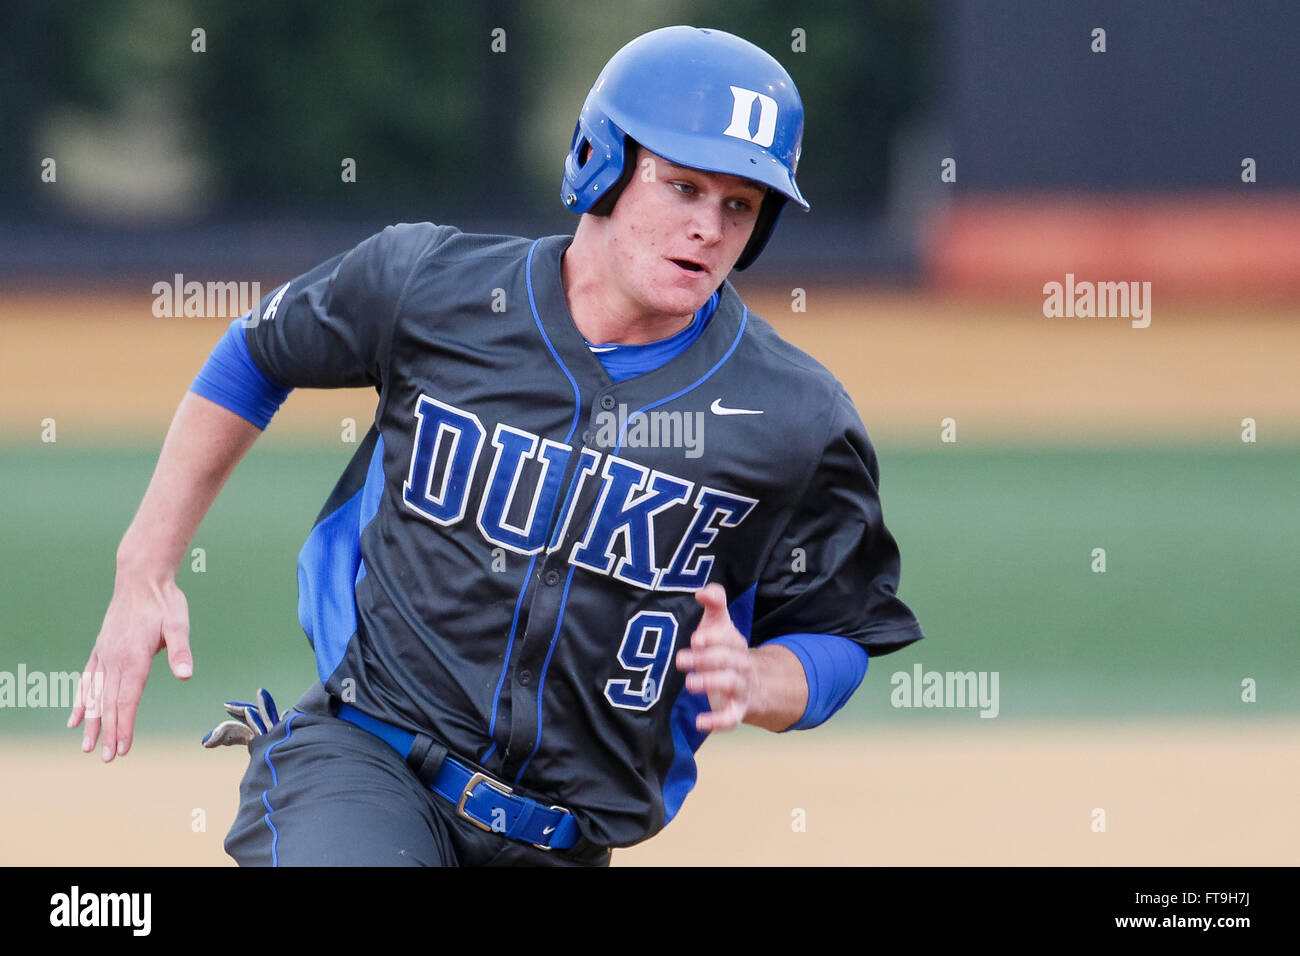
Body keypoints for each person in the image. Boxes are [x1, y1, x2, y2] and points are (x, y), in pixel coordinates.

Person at [70, 25, 924, 866]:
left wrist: (762, 682)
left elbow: (839, 629)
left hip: (564, 842)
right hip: (365, 766)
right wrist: (144, 566)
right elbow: (257, 353)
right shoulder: (432, 288)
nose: (710, 227)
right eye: (684, 187)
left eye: (740, 204)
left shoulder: (795, 417)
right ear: (602, 163)